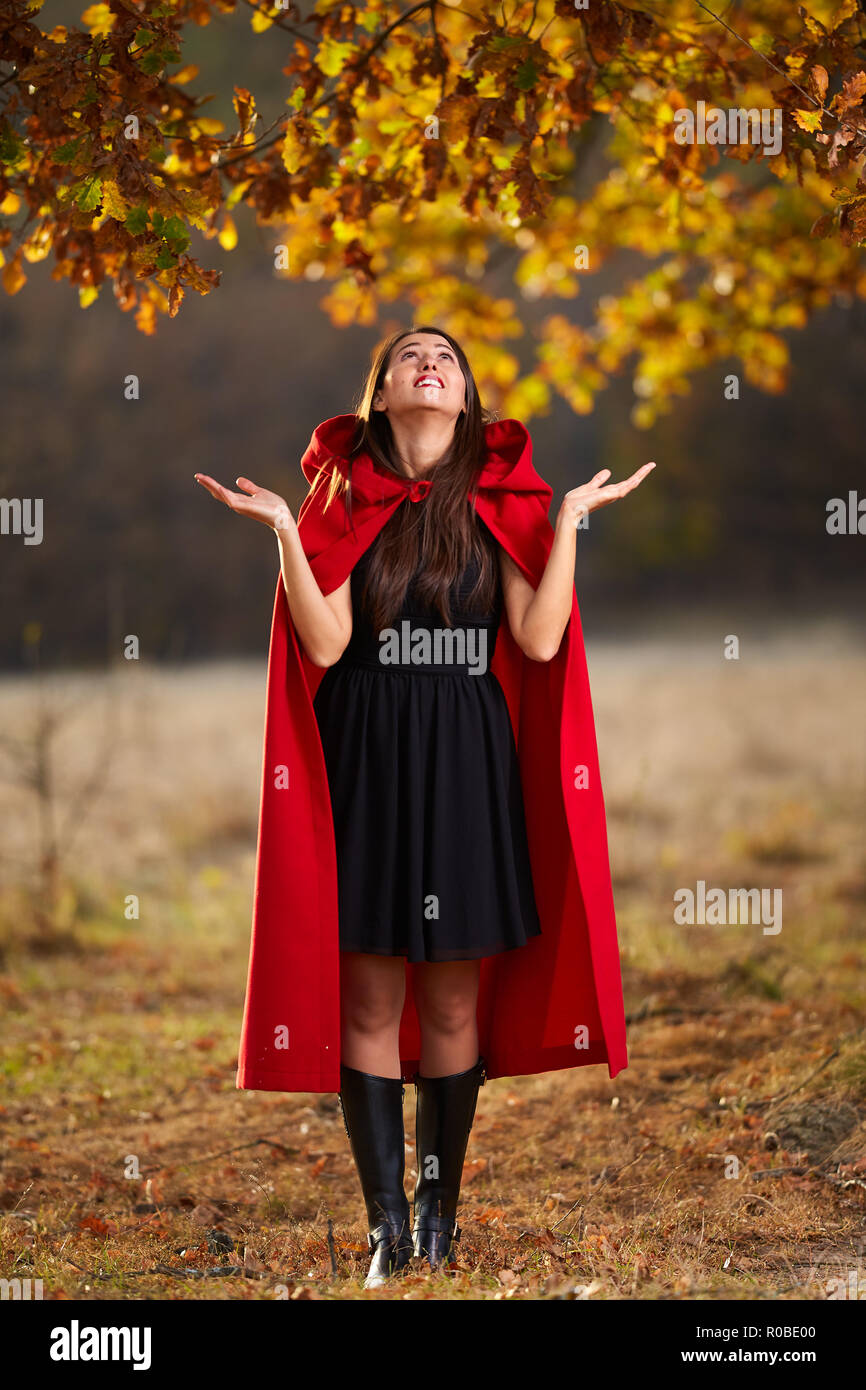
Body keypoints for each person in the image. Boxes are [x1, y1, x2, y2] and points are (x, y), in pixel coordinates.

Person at [195, 326, 654, 1288]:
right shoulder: (340, 499)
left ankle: (440, 1218)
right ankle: (385, 1231)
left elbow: (536, 640)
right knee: (369, 996)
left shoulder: (503, 500)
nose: (430, 364)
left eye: (446, 356)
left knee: (451, 997)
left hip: (465, 755)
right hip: (367, 748)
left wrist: (567, 521)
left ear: (467, 392)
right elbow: (323, 648)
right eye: (410, 355)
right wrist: (287, 532)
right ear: (385, 390)